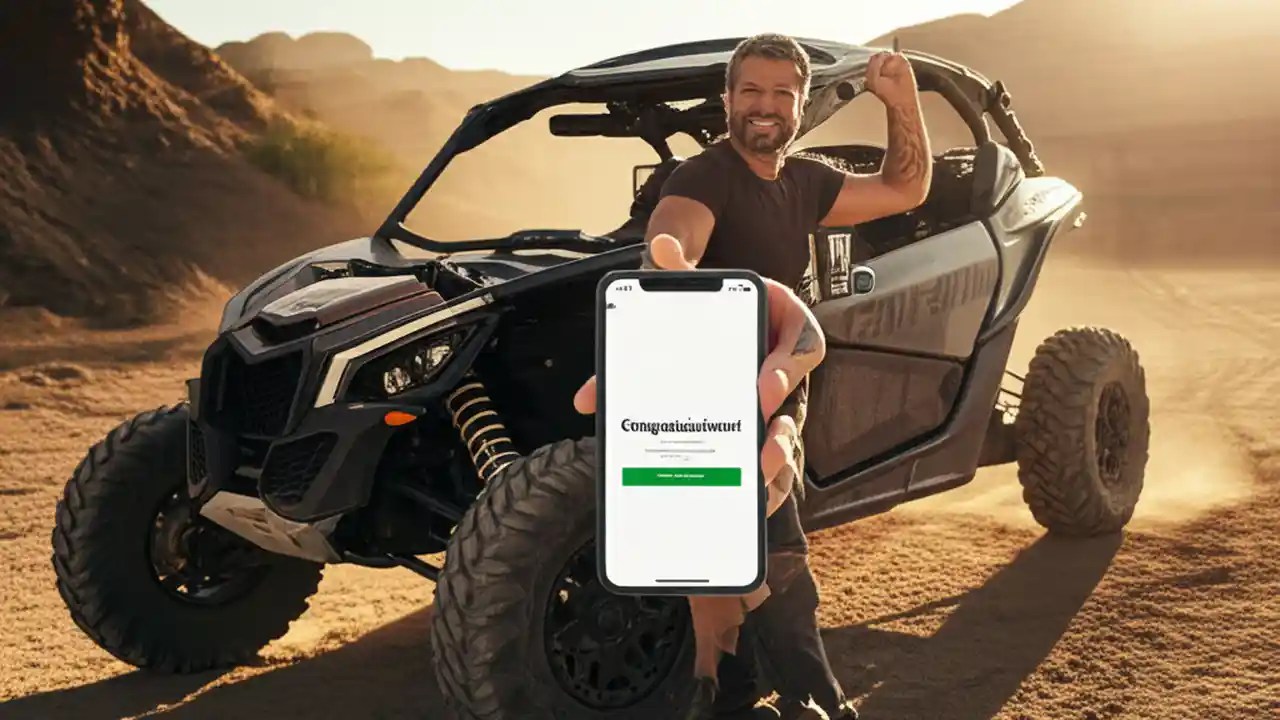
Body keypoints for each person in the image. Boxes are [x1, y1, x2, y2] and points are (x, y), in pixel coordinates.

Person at [626, 33, 932, 719]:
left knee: (752, 547)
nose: (765, 106)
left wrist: (901, 101)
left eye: (781, 94)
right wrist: (671, 263)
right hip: (715, 396)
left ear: (800, 104)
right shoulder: (704, 177)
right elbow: (671, 242)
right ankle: (812, 699)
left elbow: (905, 188)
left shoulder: (804, 182)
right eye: (751, 91)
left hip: (781, 384)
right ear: (728, 99)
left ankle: (733, 697)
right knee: (768, 546)